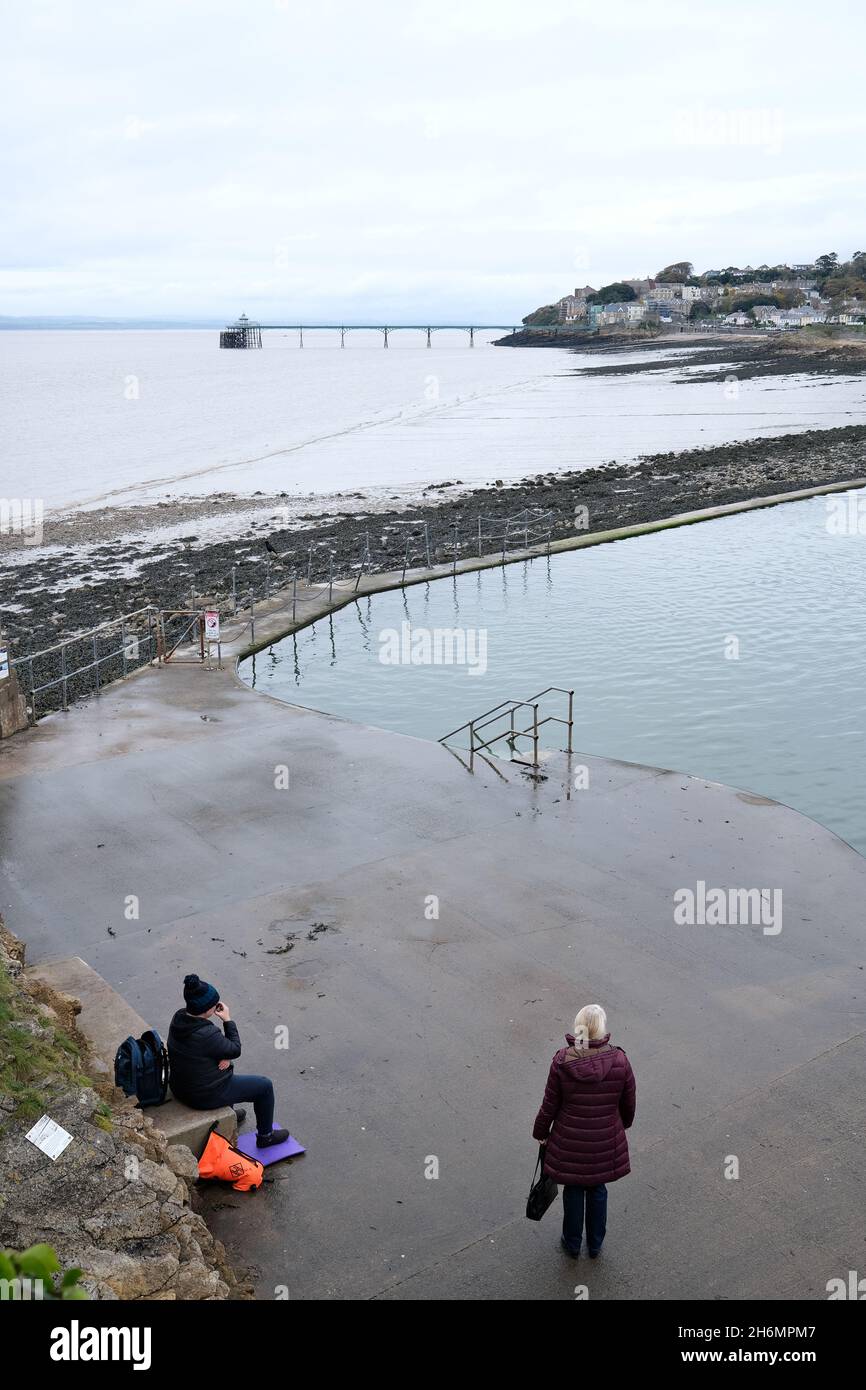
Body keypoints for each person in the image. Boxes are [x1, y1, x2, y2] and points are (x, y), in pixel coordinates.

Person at [532, 1003, 635, 1259]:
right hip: (604, 1139)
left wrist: (540, 1132)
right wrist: (622, 1125)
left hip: (570, 1141)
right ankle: (596, 1244)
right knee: (598, 1189)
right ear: (602, 1029)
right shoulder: (620, 1060)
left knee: (574, 1189)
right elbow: (628, 1101)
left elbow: (550, 1104)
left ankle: (572, 1243)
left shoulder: (561, 1060)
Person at [167, 974, 289, 1148]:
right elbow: (234, 1049)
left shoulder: (179, 1018)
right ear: (207, 1009)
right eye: (214, 1004)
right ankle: (266, 1136)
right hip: (202, 1096)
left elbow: (203, 1050)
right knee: (264, 1086)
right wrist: (227, 1020)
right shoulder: (207, 1034)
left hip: (180, 1087)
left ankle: (229, 1112)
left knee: (225, 1066)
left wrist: (223, 1054)